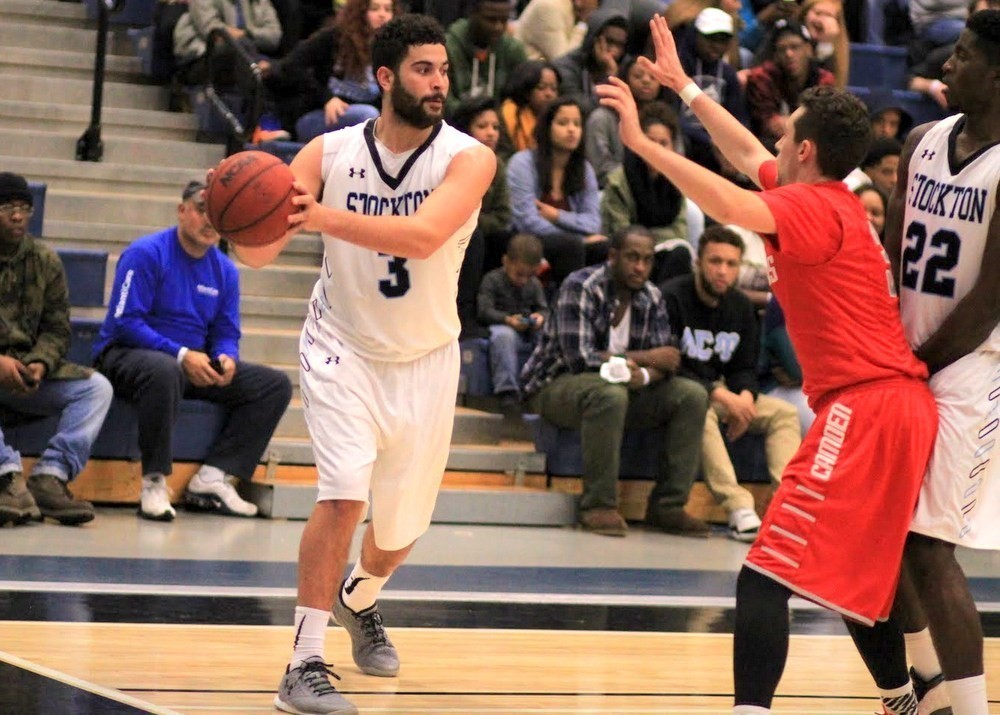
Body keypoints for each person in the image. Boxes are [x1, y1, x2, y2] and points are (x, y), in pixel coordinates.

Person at [597, 16, 939, 712]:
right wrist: (686, 87)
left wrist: (643, 144)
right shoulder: (827, 196)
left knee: (763, 576)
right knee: (853, 577)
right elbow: (745, 148)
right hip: (895, 405)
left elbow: (727, 200)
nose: (774, 142)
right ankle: (909, 698)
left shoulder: (809, 209)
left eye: (786, 137)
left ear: (805, 150)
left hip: (866, 407)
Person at [225, 15, 496, 714]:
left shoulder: (468, 158)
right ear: (385, 77)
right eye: (423, 70)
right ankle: (303, 663)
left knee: (397, 534)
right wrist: (240, 219)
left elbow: (424, 236)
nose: (439, 82)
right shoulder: (329, 151)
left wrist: (319, 218)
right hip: (340, 343)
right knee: (343, 494)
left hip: (426, 358)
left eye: (443, 70)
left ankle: (359, 597)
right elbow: (260, 252)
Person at [881, 9, 1000, 713]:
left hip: (970, 371)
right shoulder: (921, 142)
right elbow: (891, 258)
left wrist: (915, 363)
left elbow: (989, 301)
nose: (947, 66)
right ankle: (929, 690)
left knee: (929, 547)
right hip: (906, 359)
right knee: (888, 536)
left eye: (963, 56)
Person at [93, 181, 292, 523]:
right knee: (165, 369)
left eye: (216, 213)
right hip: (125, 355)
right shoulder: (146, 253)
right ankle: (154, 482)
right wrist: (182, 354)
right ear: (181, 210)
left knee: (274, 385)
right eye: (201, 210)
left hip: (187, 362)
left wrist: (226, 357)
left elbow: (226, 332)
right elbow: (125, 322)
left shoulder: (225, 271)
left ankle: (213, 477)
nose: (209, 220)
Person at [521, 225, 711, 538]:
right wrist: (646, 358)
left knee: (692, 395)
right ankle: (598, 505)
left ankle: (668, 506)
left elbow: (668, 361)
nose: (640, 267)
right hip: (556, 385)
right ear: (613, 256)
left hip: (621, 388)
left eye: (647, 260)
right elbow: (580, 358)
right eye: (632, 258)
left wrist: (645, 374)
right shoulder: (582, 285)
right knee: (609, 394)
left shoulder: (652, 296)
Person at [661, 226, 802, 542]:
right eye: (715, 261)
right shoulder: (671, 297)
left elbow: (745, 366)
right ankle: (738, 507)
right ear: (698, 262)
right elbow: (670, 364)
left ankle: (786, 507)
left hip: (726, 394)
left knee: (784, 413)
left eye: (731, 264)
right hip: (685, 392)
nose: (722, 271)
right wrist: (723, 396)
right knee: (699, 408)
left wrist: (747, 399)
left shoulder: (740, 306)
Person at [0, 172, 112, 527]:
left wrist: (40, 363)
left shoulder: (45, 261)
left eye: (24, 208)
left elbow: (57, 329)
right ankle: (5, 477)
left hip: (26, 375)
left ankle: (51, 476)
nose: (17, 216)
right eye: (7, 207)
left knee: (97, 388)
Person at [507, 96, 606, 289]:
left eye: (577, 124)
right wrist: (579, 238)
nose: (571, 129)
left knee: (604, 247)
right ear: (547, 127)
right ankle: (567, 304)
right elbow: (527, 221)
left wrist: (557, 216)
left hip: (571, 242)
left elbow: (593, 222)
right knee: (570, 246)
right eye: (563, 123)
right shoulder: (522, 163)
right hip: (526, 240)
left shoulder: (584, 169)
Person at [265, 0, 395, 142]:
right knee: (368, 116)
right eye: (374, 9)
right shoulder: (334, 37)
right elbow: (290, 67)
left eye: (388, 10)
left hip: (365, 117)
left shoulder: (390, 47)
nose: (382, 15)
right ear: (359, 12)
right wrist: (326, 98)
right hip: (317, 115)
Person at [599, 101, 697, 284]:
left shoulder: (677, 181)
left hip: (664, 256)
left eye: (664, 143)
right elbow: (622, 233)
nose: (656, 149)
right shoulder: (619, 181)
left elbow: (679, 232)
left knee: (680, 254)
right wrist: (654, 239)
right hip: (625, 256)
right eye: (650, 141)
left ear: (673, 147)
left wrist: (649, 238)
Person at [451, 95, 514, 335]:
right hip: (446, 232)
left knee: (509, 241)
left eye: (495, 127)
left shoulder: (497, 164)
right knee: (473, 237)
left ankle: (498, 311)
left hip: (480, 230)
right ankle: (463, 316)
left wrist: (474, 218)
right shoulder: (450, 160)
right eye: (482, 126)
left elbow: (503, 216)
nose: (491, 133)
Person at [670, 7, 749, 173]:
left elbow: (739, 118)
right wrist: (709, 140)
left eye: (723, 41)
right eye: (710, 38)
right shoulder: (679, 66)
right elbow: (671, 115)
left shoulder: (728, 74)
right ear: (696, 35)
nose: (716, 46)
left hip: (718, 142)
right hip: (686, 136)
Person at [477, 233, 548, 408]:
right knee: (504, 336)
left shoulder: (534, 284)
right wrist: (507, 319)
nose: (524, 280)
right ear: (506, 262)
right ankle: (507, 390)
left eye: (529, 275)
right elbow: (484, 311)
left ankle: (540, 383)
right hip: (501, 326)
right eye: (519, 274)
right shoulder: (492, 280)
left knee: (546, 335)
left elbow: (543, 309)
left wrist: (539, 317)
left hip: (527, 330)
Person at [743, 19, 836, 150]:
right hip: (770, 147)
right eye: (782, 49)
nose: (789, 54)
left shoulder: (823, 79)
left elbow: (823, 125)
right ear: (775, 54)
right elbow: (769, 125)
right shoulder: (762, 77)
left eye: (795, 47)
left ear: (808, 49)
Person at [585, 55, 665, 187]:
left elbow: (678, 159)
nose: (646, 80)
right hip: (612, 189)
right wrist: (638, 182)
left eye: (653, 77)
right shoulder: (601, 118)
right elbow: (601, 168)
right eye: (638, 76)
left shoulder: (665, 119)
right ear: (625, 80)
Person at [444, 0, 528, 115]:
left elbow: (523, 98)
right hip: (455, 122)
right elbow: (443, 101)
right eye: (491, 20)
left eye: (504, 20)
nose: (498, 27)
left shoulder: (514, 49)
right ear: (472, 14)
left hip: (499, 122)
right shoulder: (447, 47)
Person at [552, 7, 630, 116]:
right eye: (609, 42)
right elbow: (584, 111)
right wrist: (609, 77)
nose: (614, 50)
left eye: (619, 45)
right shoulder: (565, 67)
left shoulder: (625, 67)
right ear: (594, 39)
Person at [499, 59, 561, 155]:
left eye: (554, 89)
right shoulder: (509, 113)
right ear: (526, 89)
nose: (549, 94)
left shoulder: (558, 116)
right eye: (541, 87)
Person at [515, 0, 597, 61]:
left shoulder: (568, 8)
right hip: (531, 76)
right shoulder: (549, 7)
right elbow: (564, 60)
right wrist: (583, 24)